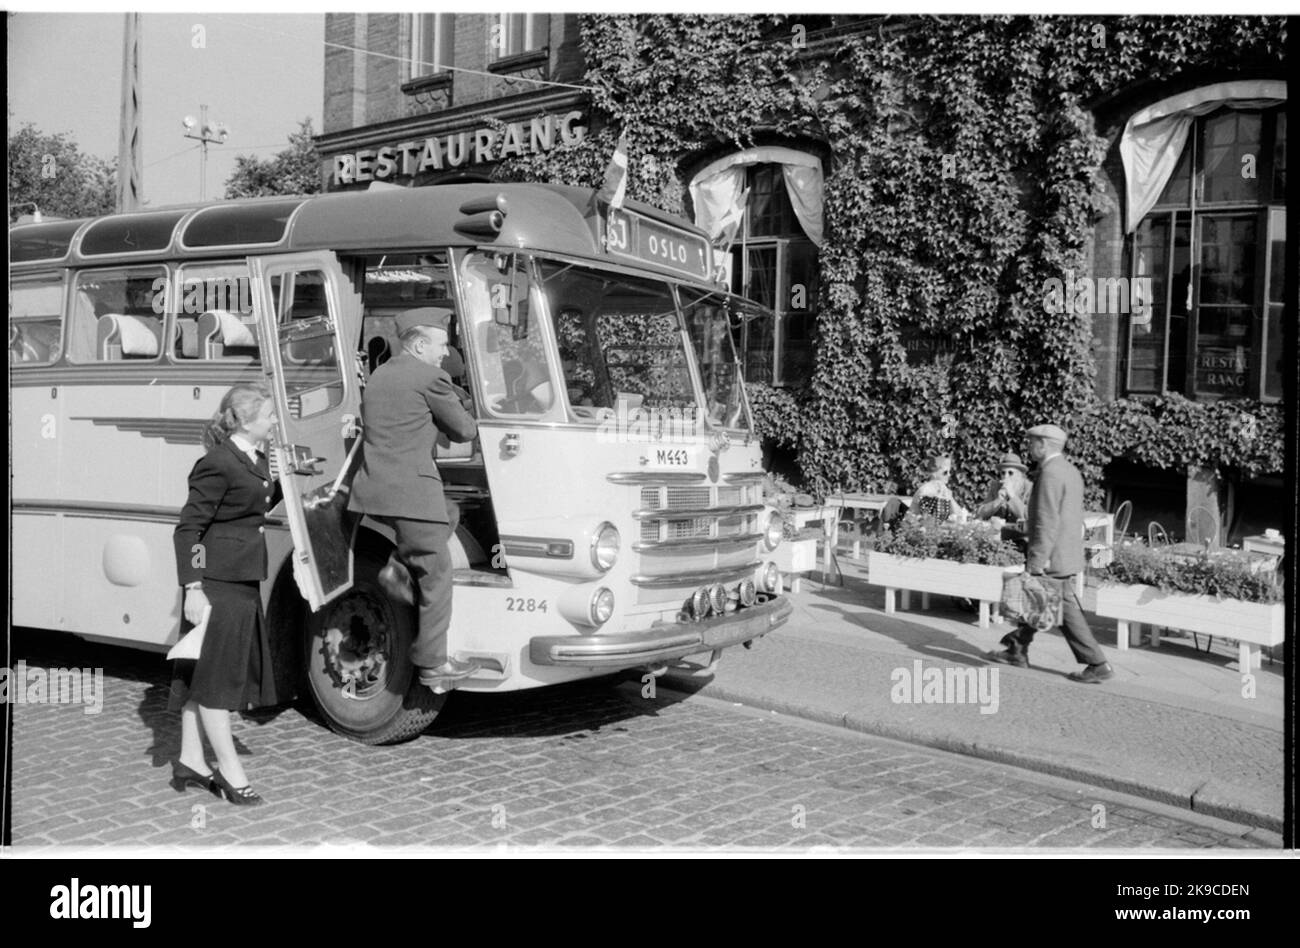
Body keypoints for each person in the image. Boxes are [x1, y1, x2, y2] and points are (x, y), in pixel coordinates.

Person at [347, 308, 479, 691]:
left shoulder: (381, 374)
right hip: (411, 493)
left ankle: (398, 568)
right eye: (441, 345)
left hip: (374, 491)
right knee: (438, 577)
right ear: (420, 344)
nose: (445, 353)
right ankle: (433, 665)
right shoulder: (431, 377)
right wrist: (460, 398)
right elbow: (464, 430)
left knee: (449, 512)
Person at [170, 383, 282, 806]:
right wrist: (194, 586)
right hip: (217, 582)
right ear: (248, 420)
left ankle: (191, 759)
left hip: (241, 578)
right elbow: (189, 529)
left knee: (204, 673)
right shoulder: (217, 463)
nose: (274, 422)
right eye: (269, 416)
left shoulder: (254, 458)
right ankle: (231, 772)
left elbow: (250, 508)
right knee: (217, 681)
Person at [988, 423, 1114, 683]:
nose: (1030, 446)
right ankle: (1016, 648)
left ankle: (1097, 662)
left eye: (1033, 442)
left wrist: (1037, 560)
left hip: (1051, 556)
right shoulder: (1069, 471)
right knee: (1041, 602)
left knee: (1063, 611)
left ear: (1043, 445)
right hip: (1064, 552)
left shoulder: (1049, 474)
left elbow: (1046, 520)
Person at [975, 451, 1033, 524]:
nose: (1006, 476)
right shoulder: (996, 486)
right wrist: (998, 501)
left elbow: (1029, 516)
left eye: (1010, 473)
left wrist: (1012, 496)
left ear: (1019, 475)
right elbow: (980, 513)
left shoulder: (1029, 488)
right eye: (1003, 473)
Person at [906, 454, 968, 522]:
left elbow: (958, 515)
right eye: (945, 472)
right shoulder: (926, 490)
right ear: (934, 474)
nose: (949, 475)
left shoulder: (943, 489)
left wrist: (949, 498)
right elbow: (931, 519)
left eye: (949, 472)